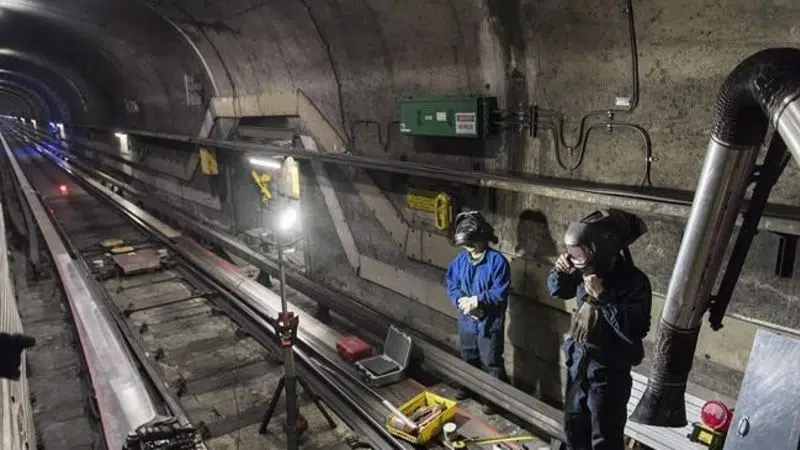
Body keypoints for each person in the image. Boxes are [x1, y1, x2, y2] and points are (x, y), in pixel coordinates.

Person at [547, 209, 652, 450]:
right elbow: (557, 290)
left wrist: (602, 296)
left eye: (580, 254)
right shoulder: (585, 268)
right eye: (574, 253)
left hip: (608, 374)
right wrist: (560, 271)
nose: (577, 259)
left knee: (604, 437)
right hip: (579, 365)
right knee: (574, 427)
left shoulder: (634, 281)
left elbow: (634, 329)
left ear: (602, 250)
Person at [445, 211, 510, 415]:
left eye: (472, 244)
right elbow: (452, 284)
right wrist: (459, 301)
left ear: (482, 238)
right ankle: (469, 385)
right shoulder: (461, 261)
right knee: (468, 354)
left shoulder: (497, 262)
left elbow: (500, 292)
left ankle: (494, 398)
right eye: (466, 245)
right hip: (467, 319)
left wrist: (478, 300)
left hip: (489, 320)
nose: (469, 248)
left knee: (491, 360)